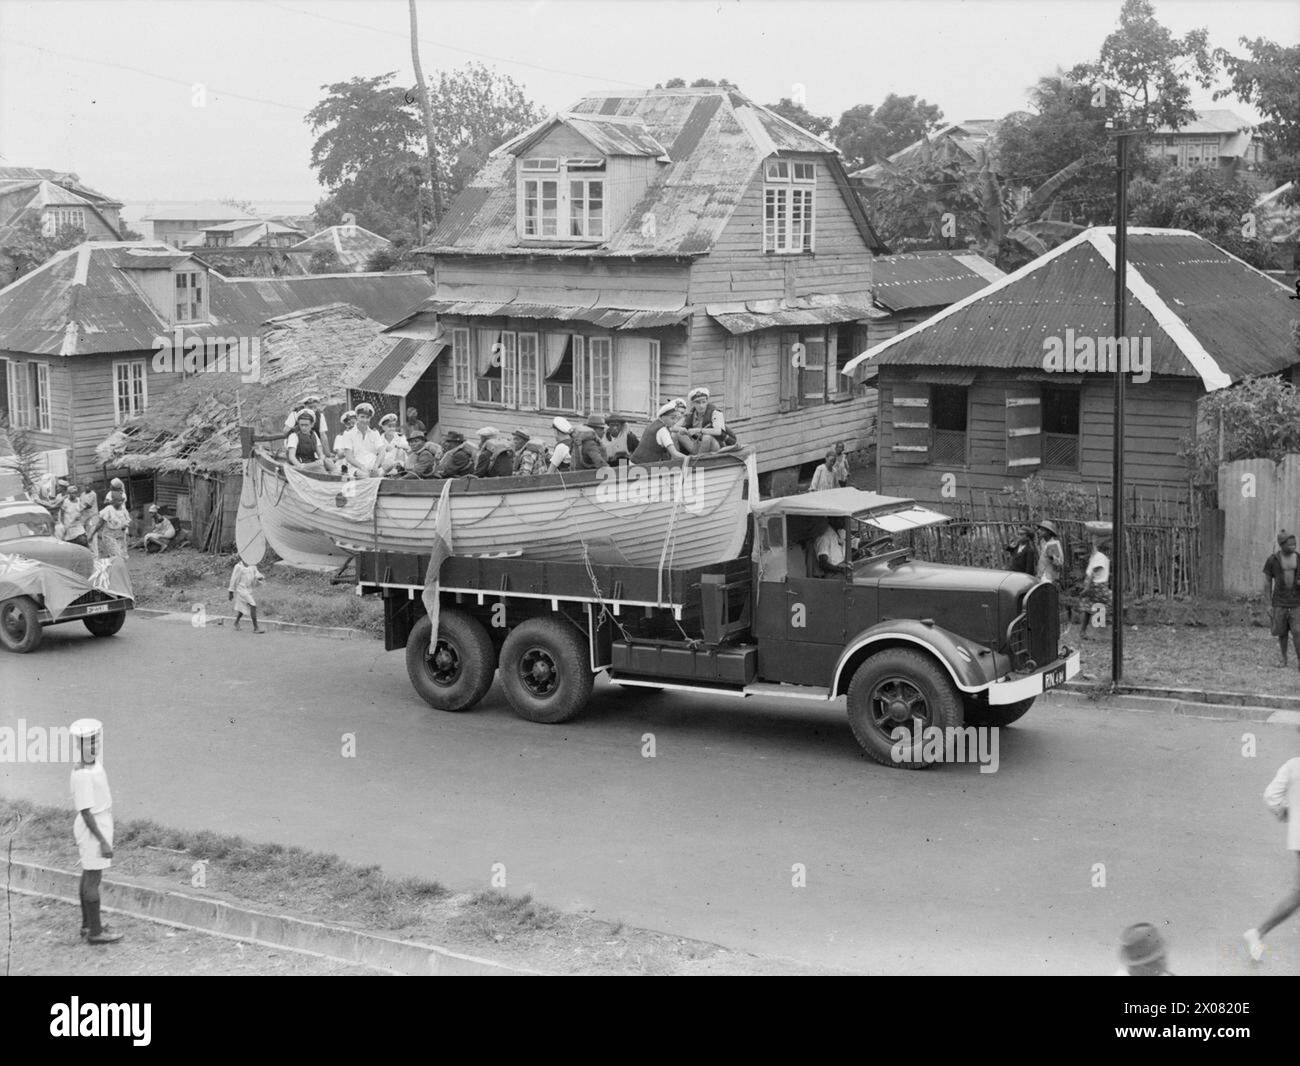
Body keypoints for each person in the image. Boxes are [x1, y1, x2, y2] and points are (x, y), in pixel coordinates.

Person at [1244, 736, 1300, 963]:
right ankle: (1258, 932)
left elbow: (1271, 796)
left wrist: (1284, 811)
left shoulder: (1293, 765)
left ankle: (1258, 933)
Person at [69, 718, 122, 944]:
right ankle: (96, 933)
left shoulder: (93, 764)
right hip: (93, 827)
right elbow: (85, 812)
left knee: (88, 874)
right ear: (79, 744)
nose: (94, 746)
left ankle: (88, 925)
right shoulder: (82, 773)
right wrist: (102, 841)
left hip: (100, 821)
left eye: (96, 741)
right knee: (93, 879)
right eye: (89, 743)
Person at [1264, 531, 1300, 668]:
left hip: (1296, 601)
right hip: (1279, 601)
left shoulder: (1299, 558)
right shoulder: (1273, 560)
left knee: (1298, 631)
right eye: (1290, 544)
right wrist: (1268, 604)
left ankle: (1299, 660)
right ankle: (1283, 659)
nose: (1293, 546)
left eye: (1295, 543)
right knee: (1281, 632)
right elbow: (1267, 582)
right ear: (1281, 544)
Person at [1073, 532, 1112, 643]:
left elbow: (1092, 573)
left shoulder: (1097, 557)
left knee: (1090, 608)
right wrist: (1087, 588)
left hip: (1095, 585)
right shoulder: (1097, 556)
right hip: (1098, 586)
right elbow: (1093, 574)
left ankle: (1085, 631)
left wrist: (1087, 588)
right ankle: (1098, 634)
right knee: (1101, 606)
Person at [337, 403, 382, 477]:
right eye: (362, 417)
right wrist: (362, 467)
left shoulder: (374, 432)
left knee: (389, 465)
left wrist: (376, 465)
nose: (365, 420)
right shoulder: (348, 433)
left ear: (370, 418)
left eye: (367, 417)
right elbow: (349, 457)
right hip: (357, 467)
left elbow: (381, 451)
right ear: (357, 417)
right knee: (365, 475)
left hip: (373, 466)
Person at [680, 386, 730, 453]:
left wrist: (698, 430)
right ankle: (681, 459)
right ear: (693, 403)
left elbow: (719, 431)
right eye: (698, 403)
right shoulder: (691, 414)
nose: (701, 405)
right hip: (697, 443)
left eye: (704, 402)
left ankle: (699, 460)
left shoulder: (715, 412)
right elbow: (675, 427)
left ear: (707, 401)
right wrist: (684, 430)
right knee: (678, 434)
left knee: (706, 437)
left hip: (715, 444)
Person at [228, 557, 265, 633]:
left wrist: (260, 577)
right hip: (241, 589)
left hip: (248, 589)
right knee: (253, 605)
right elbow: (233, 579)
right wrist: (231, 591)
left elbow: (256, 573)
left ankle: (236, 622)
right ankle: (256, 628)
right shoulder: (238, 566)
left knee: (243, 606)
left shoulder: (253, 565)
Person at [94, 491, 131, 559]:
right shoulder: (108, 509)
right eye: (118, 501)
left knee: (124, 556)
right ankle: (115, 568)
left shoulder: (123, 509)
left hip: (120, 536)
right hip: (109, 536)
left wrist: (124, 526)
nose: (120, 503)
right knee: (116, 556)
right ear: (113, 501)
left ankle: (119, 568)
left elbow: (127, 521)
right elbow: (100, 523)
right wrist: (93, 533)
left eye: (121, 501)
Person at [58, 482, 90, 547]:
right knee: (71, 545)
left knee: (83, 541)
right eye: (72, 493)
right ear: (69, 494)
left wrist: (81, 516)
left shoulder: (79, 500)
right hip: (68, 527)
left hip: (78, 526)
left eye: (75, 493)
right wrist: (63, 526)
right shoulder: (65, 502)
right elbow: (61, 514)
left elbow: (83, 510)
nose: (74, 495)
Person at [1035, 519, 1065, 586]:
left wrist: (1052, 557)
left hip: (1048, 578)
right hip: (1043, 576)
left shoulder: (1052, 544)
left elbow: (1059, 563)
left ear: (1048, 532)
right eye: (1040, 529)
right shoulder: (1044, 543)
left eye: (1042, 530)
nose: (1039, 531)